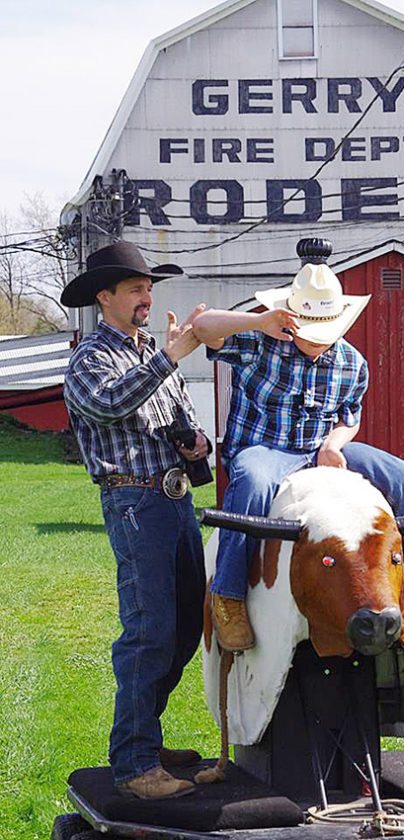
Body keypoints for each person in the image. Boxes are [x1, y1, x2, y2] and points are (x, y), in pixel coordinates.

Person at [192, 242, 404, 652]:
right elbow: (202, 326)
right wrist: (258, 321)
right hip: (265, 448)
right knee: (251, 479)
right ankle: (229, 596)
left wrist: (333, 444)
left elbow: (350, 415)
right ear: (289, 318)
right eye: (309, 331)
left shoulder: (352, 363)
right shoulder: (258, 344)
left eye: (325, 331)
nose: (317, 341)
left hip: (317, 449)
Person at [62, 241, 208, 800]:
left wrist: (196, 445)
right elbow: (110, 404)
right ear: (105, 297)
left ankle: (143, 735)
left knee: (183, 630)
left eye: (149, 288)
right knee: (148, 632)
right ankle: (134, 762)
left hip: (173, 499)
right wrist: (171, 356)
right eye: (135, 289)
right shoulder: (89, 358)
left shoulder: (151, 351)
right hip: (134, 502)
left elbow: (182, 419)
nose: (147, 297)